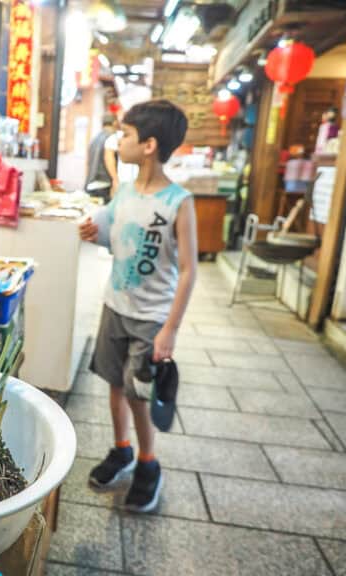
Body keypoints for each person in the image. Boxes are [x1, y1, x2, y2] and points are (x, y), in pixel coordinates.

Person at [78, 99, 197, 513]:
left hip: (151, 319)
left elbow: (187, 269)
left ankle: (149, 463)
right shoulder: (125, 192)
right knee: (114, 385)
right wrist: (93, 232)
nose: (118, 140)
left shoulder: (179, 202)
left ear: (148, 145)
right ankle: (122, 449)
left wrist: (172, 328)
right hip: (115, 307)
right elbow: (112, 237)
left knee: (139, 394)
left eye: (125, 134)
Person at [84, 115, 117, 201]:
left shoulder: (94, 139)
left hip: (91, 183)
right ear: (114, 123)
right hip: (104, 184)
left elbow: (88, 163)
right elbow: (109, 159)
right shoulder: (113, 137)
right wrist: (115, 179)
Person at [104, 119, 140, 195]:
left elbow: (109, 155)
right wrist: (115, 179)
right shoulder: (116, 137)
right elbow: (109, 154)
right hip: (124, 183)